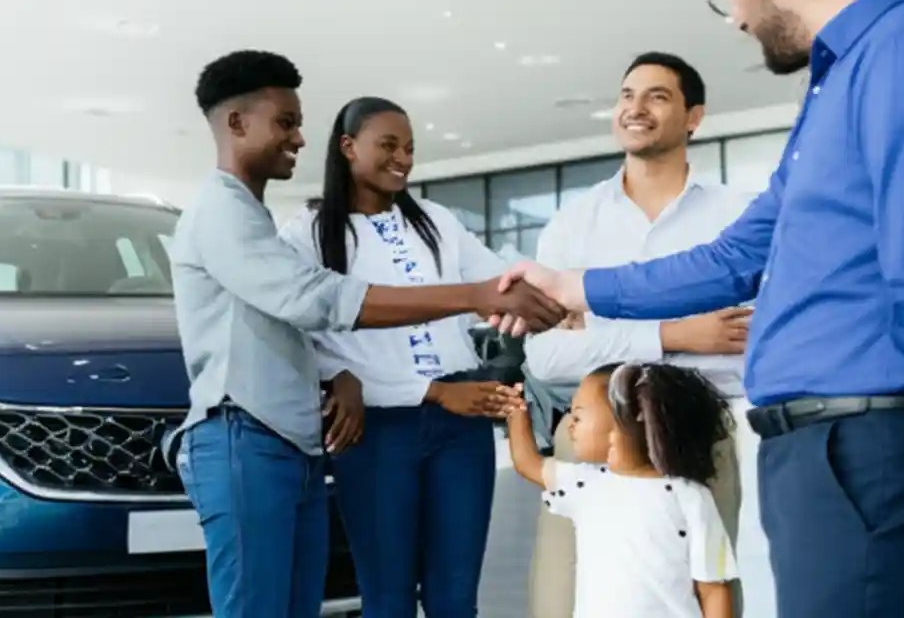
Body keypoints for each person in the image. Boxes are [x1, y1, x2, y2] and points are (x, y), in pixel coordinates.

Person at [497, 0, 904, 615]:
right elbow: (734, 258)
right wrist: (570, 285)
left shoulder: (895, 54)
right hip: (821, 445)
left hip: (865, 439)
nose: (737, 17)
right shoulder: (838, 81)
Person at [170, 50, 563, 617]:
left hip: (295, 440)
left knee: (316, 604)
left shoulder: (254, 215)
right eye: (286, 123)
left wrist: (571, 300)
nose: (300, 138)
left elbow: (499, 278)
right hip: (256, 435)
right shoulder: (238, 217)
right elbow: (313, 303)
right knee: (344, 602)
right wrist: (360, 371)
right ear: (237, 123)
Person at [523, 53, 753, 618]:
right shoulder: (574, 223)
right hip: (592, 434)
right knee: (559, 597)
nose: (635, 108)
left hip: (697, 432)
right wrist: (679, 334)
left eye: (657, 96)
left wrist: (604, 334)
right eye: (627, 94)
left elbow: (743, 346)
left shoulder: (737, 216)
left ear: (693, 117)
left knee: (710, 595)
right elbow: (547, 354)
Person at [278, 96, 525, 617]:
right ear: (348, 147)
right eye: (388, 144)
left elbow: (501, 280)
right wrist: (423, 390)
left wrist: (564, 298)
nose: (403, 158)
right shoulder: (305, 233)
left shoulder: (436, 220)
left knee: (455, 600)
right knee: (387, 600)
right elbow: (302, 336)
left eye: (410, 148)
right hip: (376, 431)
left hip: (463, 425)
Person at [507, 362, 739, 618]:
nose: (570, 425)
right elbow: (528, 463)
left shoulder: (691, 498)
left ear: (623, 422)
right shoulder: (584, 483)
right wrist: (516, 413)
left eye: (578, 416)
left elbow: (714, 588)